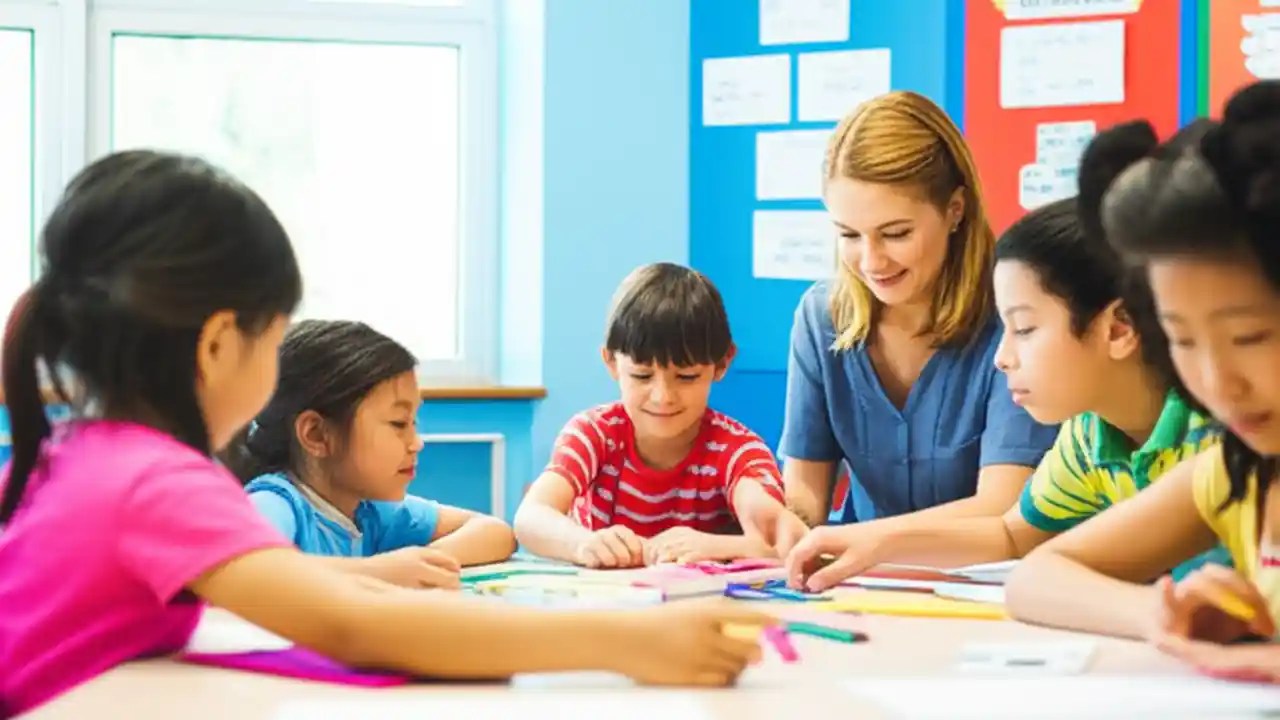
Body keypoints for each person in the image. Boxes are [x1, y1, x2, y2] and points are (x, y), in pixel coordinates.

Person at [0, 151, 771, 716]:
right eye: (276, 339)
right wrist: (628, 645)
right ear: (215, 346)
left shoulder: (79, 453)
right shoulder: (154, 478)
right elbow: (352, 626)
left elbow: (301, 587)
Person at [785, 198, 1224, 589]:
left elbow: (1039, 564)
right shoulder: (1088, 438)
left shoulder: (1223, 432)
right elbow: (1014, 536)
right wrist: (875, 542)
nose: (1001, 358)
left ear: (1117, 328)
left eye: (1025, 329)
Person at [1005, 82, 1280, 680]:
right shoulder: (1234, 474)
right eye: (1182, 340)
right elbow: (1037, 577)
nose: (1217, 383)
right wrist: (1163, 611)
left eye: (1249, 338)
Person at [779, 90, 1057, 571]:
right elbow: (805, 500)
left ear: (954, 210)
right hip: (859, 586)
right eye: (848, 234)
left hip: (985, 588)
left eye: (895, 233)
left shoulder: (1014, 316)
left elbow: (1002, 508)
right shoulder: (820, 317)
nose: (871, 261)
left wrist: (860, 543)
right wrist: (772, 526)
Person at [514, 263, 808, 568]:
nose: (663, 397)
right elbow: (530, 518)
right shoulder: (593, 434)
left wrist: (712, 545)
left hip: (696, 611)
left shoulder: (737, 452)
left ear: (722, 364)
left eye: (687, 376)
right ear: (611, 362)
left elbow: (785, 541)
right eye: (642, 376)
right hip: (605, 609)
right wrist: (582, 543)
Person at [221, 319, 516, 588]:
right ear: (316, 434)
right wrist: (379, 570)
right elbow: (243, 569)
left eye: (413, 423)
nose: (416, 443)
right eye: (398, 423)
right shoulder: (276, 503)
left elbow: (495, 532)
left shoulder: (369, 512)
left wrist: (423, 562)